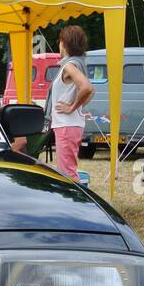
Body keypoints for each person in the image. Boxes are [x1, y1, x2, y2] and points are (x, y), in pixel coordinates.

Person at [48, 25, 94, 181]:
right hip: (70, 125)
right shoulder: (78, 63)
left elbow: (86, 88)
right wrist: (78, 105)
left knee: (67, 174)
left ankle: (74, 203)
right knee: (67, 169)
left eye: (60, 40)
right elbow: (91, 90)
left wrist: (72, 107)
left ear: (65, 43)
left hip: (66, 125)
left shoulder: (69, 65)